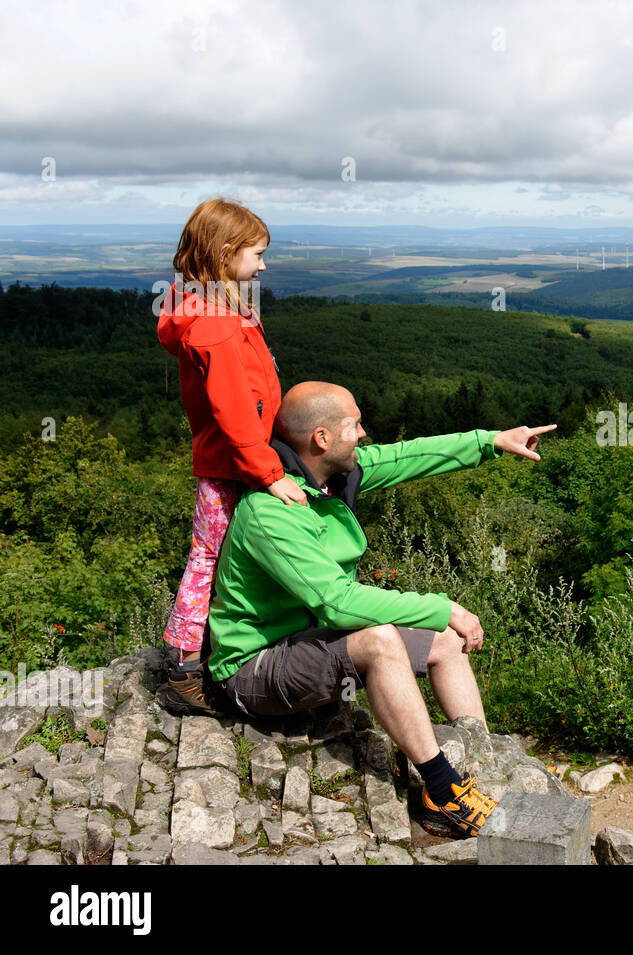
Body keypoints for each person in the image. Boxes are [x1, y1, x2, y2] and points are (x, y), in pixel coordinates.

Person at [206, 381, 556, 838]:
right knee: (381, 639)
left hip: (309, 643)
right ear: (322, 438)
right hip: (255, 666)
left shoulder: (330, 478)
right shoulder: (272, 512)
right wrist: (440, 605)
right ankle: (442, 793)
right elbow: (336, 602)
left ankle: (480, 757)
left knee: (447, 643)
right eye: (355, 424)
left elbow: (408, 456)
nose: (365, 433)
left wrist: (490, 441)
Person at [156, 198, 308, 718]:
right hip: (231, 464)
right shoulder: (215, 322)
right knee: (208, 561)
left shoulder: (208, 306)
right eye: (257, 254)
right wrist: (269, 473)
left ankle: (224, 656)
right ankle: (182, 673)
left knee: (220, 558)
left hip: (232, 459)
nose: (263, 265)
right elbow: (235, 410)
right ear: (225, 253)